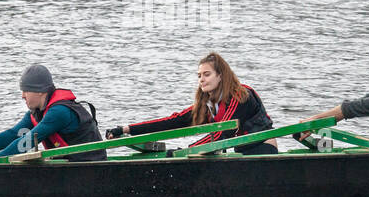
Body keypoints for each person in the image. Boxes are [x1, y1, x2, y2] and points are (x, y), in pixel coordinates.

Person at [106, 52, 278, 155]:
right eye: (199, 76)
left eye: (207, 74)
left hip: (262, 151)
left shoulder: (241, 96)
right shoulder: (209, 105)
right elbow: (173, 122)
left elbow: (223, 133)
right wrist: (125, 129)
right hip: (239, 153)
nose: (202, 80)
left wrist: (186, 151)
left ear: (221, 76)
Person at [0, 64, 106, 161]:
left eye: (26, 91)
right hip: (68, 165)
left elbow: (26, 142)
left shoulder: (59, 112)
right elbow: (14, 134)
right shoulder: (36, 113)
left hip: (90, 165)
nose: (22, 96)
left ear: (40, 92)